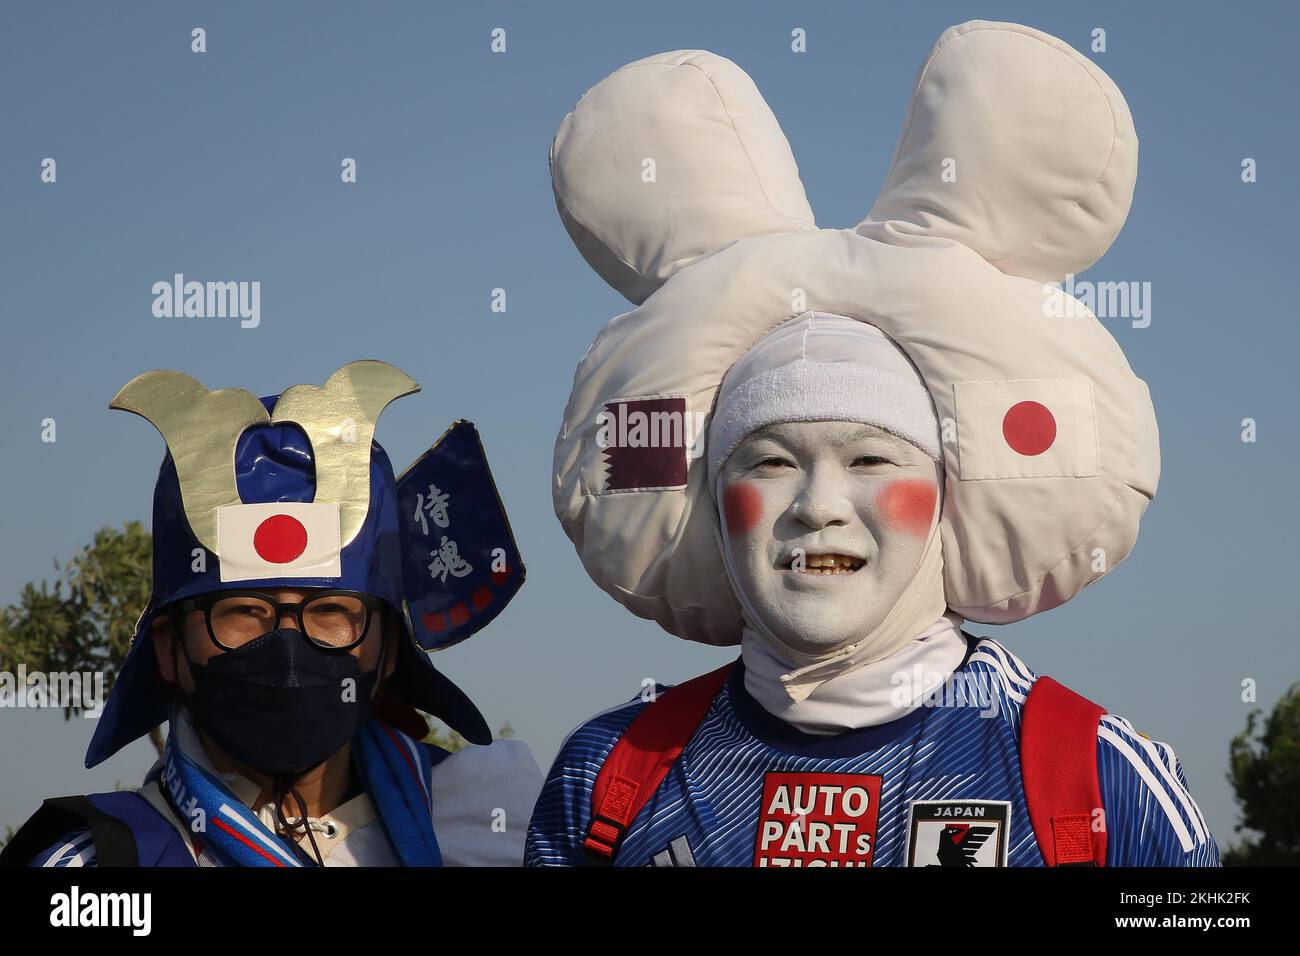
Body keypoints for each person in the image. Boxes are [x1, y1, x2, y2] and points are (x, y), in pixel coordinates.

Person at [526, 22, 1220, 867]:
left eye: (871, 461)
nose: (818, 507)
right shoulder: (605, 780)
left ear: (949, 490)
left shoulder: (1096, 784)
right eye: (770, 462)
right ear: (710, 495)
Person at [2, 359, 540, 867]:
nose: (288, 645)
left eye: (330, 609)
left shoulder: (503, 825)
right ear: (169, 647)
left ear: (389, 647)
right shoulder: (102, 861)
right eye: (244, 611)